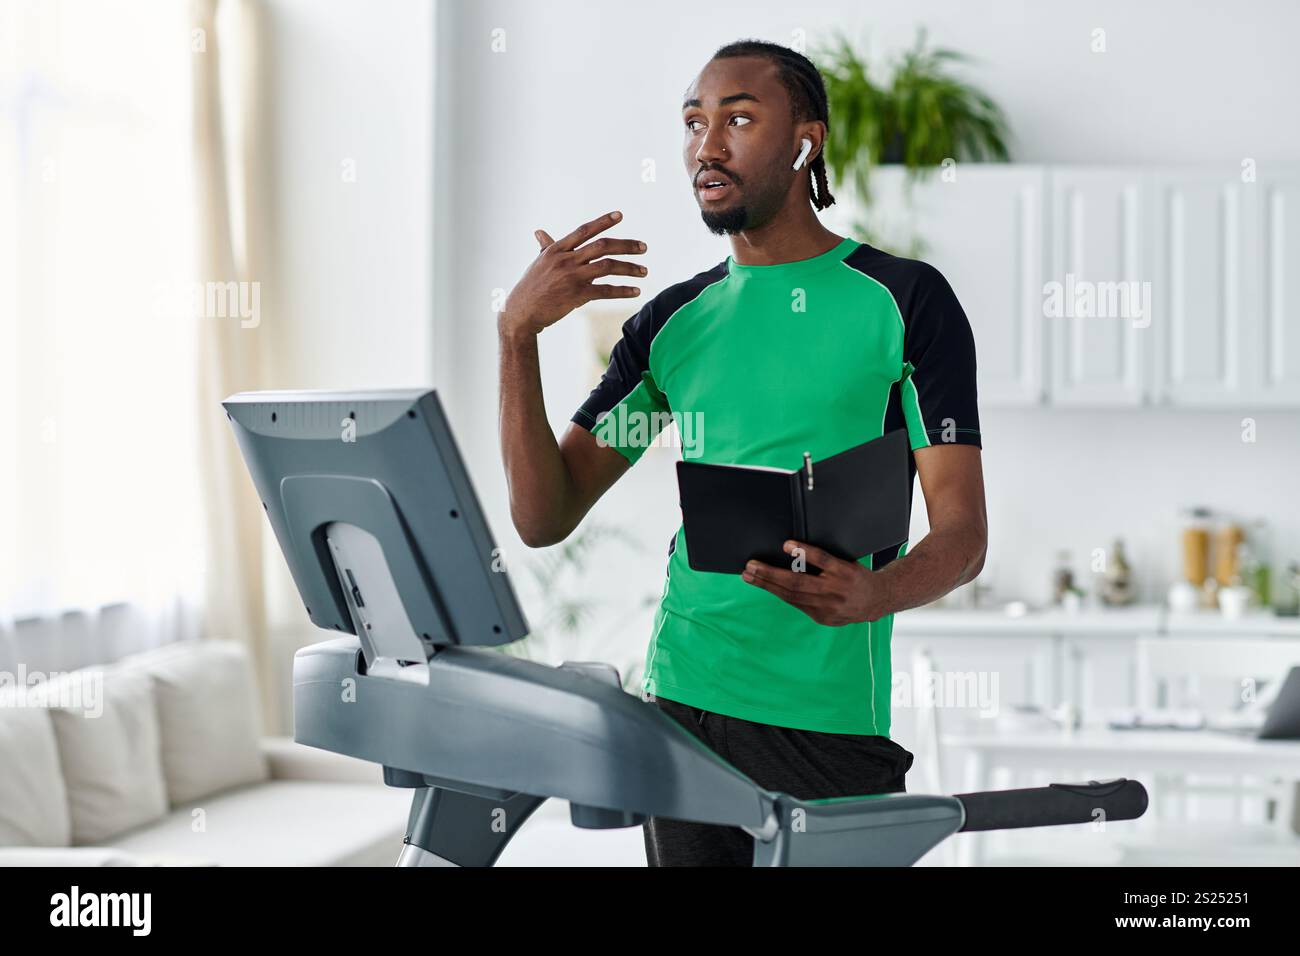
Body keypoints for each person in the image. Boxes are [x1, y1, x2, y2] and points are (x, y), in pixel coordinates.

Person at [497, 39, 988, 866]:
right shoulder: (671, 329)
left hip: (826, 726)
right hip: (685, 706)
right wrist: (516, 338)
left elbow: (963, 535)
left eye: (739, 119)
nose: (707, 146)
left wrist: (877, 591)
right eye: (694, 123)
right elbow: (545, 514)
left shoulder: (905, 303)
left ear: (806, 140)